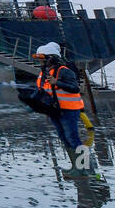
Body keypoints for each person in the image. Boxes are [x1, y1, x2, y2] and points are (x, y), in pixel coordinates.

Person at [33, 42, 91, 178]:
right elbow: (40, 89)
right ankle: (75, 166)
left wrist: (56, 82)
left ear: (51, 58)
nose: (41, 62)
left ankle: (83, 169)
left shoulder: (64, 70)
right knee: (64, 137)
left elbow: (75, 88)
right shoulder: (44, 73)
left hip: (69, 109)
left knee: (73, 137)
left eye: (43, 59)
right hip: (55, 109)